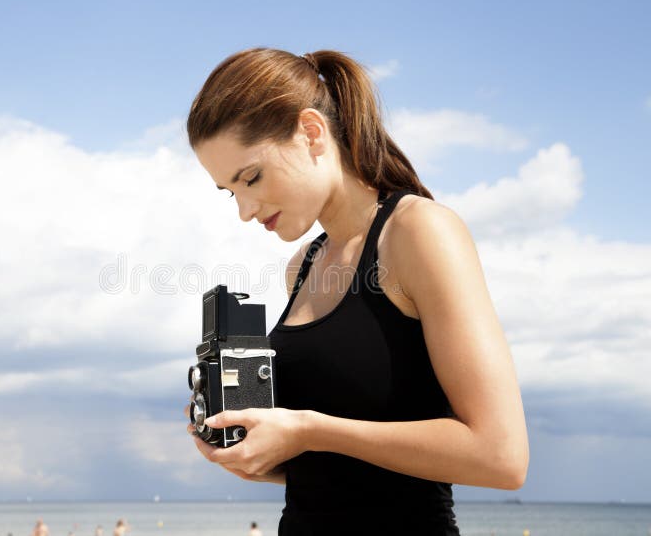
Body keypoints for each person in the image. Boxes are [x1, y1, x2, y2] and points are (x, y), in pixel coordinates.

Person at [184, 48, 529, 534]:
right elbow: (345, 473)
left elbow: (501, 456)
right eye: (230, 192)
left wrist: (309, 430)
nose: (244, 210)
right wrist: (258, 455)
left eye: (252, 178)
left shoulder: (417, 232)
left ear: (311, 133)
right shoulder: (302, 267)